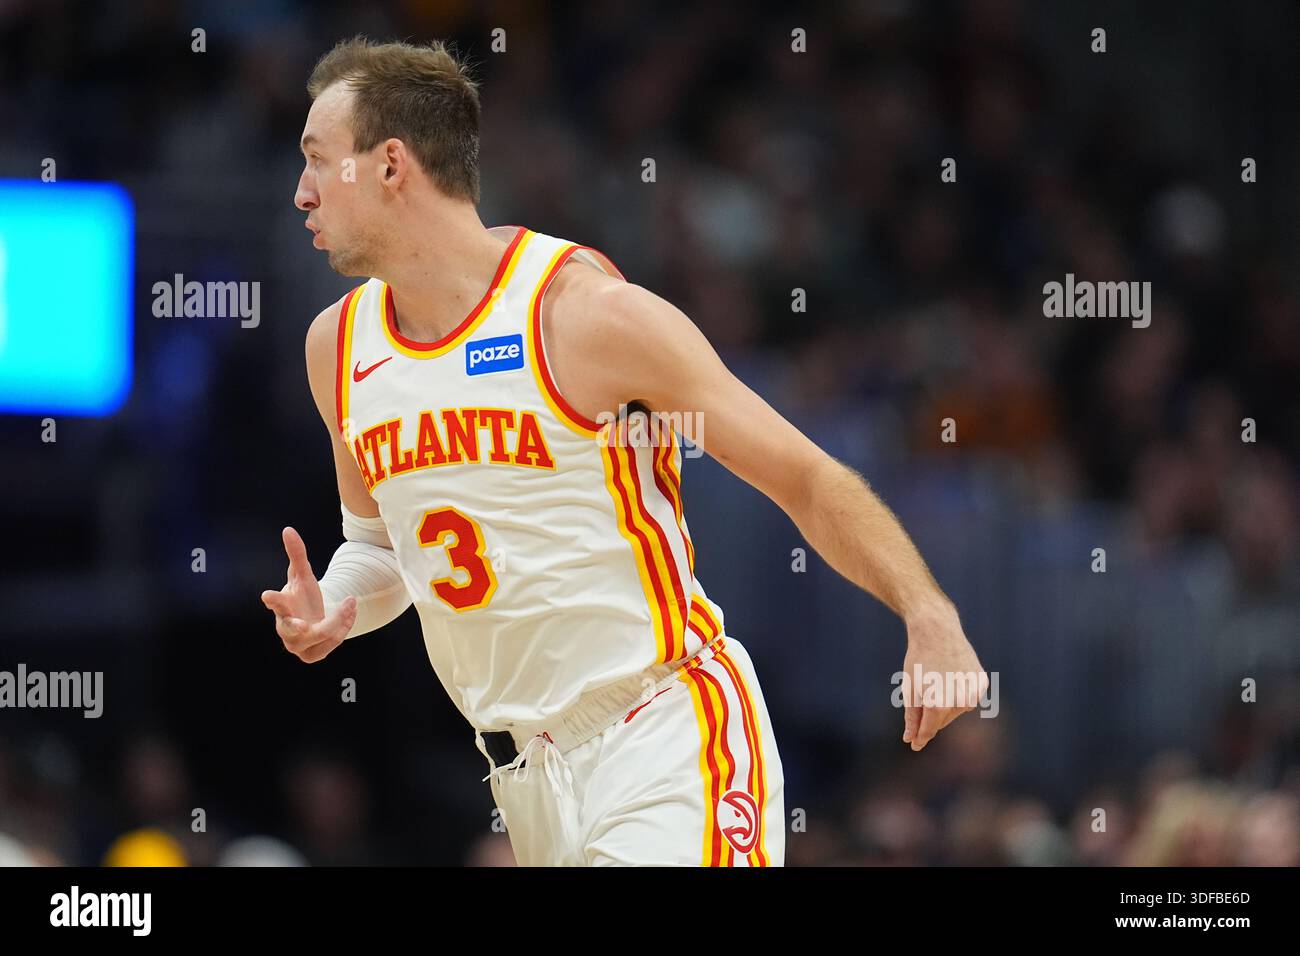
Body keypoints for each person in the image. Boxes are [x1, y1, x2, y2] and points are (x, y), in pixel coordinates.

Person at [262, 36, 986, 866]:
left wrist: (927, 611)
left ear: (391, 165)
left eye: (318, 161)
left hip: (664, 740)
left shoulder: (585, 317)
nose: (301, 193)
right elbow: (383, 548)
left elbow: (805, 478)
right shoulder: (338, 347)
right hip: (523, 779)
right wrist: (337, 606)